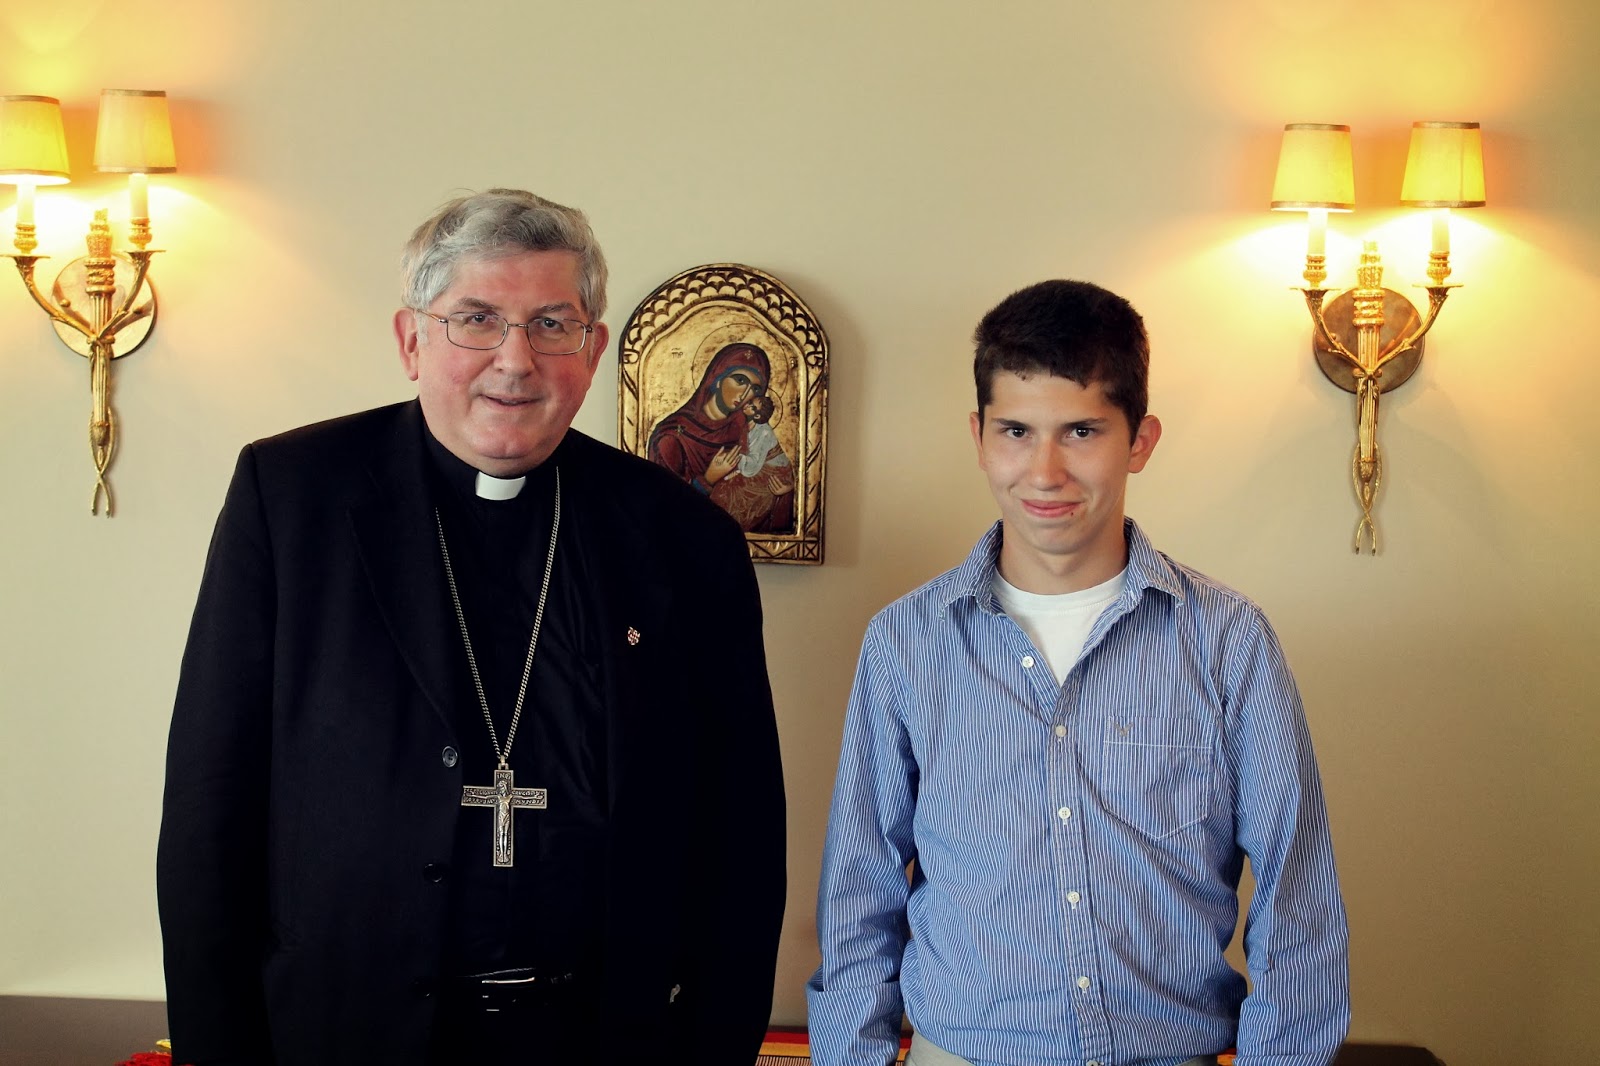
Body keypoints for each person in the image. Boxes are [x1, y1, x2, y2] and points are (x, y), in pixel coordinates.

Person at [156, 189, 786, 1066]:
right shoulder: (293, 496)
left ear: (593, 351)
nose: (515, 361)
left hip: (606, 1042)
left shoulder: (684, 539)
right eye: (476, 320)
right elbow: (207, 807)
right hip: (347, 1033)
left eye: (552, 324)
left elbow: (744, 831)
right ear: (412, 340)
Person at [806, 280, 1347, 1066]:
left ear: (1141, 440)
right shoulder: (905, 643)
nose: (1045, 471)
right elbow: (861, 895)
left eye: (1082, 431)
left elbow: (1298, 905)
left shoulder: (1229, 642)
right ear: (979, 435)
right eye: (1017, 430)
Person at [646, 341, 770, 497]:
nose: (745, 394)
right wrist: (708, 479)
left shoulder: (748, 432)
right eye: (740, 380)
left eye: (755, 388)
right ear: (717, 379)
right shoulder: (671, 437)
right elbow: (664, 502)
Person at [710, 393, 795, 534]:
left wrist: (733, 457)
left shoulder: (764, 433)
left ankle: (729, 530)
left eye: (752, 407)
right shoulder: (748, 427)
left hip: (773, 474)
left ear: (756, 416)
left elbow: (751, 467)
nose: (747, 405)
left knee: (731, 493)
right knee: (723, 488)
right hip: (758, 468)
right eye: (750, 402)